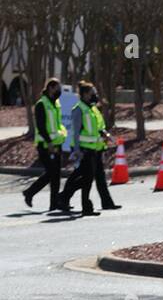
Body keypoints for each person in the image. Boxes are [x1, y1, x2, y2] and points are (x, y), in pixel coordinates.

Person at [57, 81, 120, 216]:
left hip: (95, 148)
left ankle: (103, 203)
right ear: (85, 94)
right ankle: (81, 205)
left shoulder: (92, 108)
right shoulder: (79, 109)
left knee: (95, 178)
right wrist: (77, 151)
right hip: (85, 150)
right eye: (92, 93)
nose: (95, 96)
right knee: (87, 179)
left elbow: (98, 128)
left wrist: (105, 134)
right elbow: (76, 132)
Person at [23, 79, 66, 212]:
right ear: (50, 88)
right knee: (51, 173)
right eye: (57, 88)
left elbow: (58, 123)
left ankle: (54, 203)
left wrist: (61, 136)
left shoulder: (56, 104)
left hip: (56, 143)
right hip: (45, 145)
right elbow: (41, 127)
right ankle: (30, 192)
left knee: (55, 175)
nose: (59, 91)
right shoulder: (42, 104)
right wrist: (49, 143)